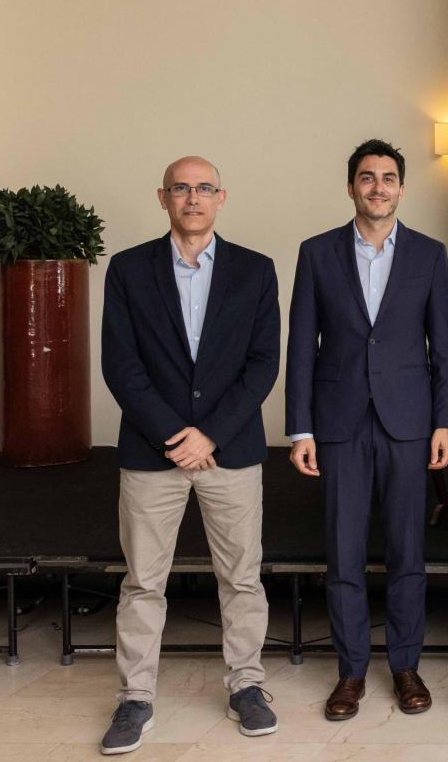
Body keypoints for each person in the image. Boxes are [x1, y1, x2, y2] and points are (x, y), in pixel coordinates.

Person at [98, 156, 280, 755]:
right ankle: (135, 698)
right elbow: (120, 365)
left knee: (242, 578)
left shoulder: (256, 271)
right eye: (182, 189)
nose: (193, 198)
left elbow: (262, 366)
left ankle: (247, 687)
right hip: (154, 455)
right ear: (163, 197)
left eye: (204, 189)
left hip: (230, 453)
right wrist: (176, 435)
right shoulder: (128, 270)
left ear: (221, 198)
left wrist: (212, 434)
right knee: (143, 584)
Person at [284, 139, 448, 721]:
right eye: (367, 177)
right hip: (338, 425)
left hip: (409, 424)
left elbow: (444, 348)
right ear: (351, 186)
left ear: (402, 189)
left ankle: (405, 665)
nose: (378, 187)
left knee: (408, 551)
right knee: (344, 554)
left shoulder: (429, 254)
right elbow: (301, 350)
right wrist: (300, 428)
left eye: (388, 178)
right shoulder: (316, 253)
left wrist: (444, 421)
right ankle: (352, 671)